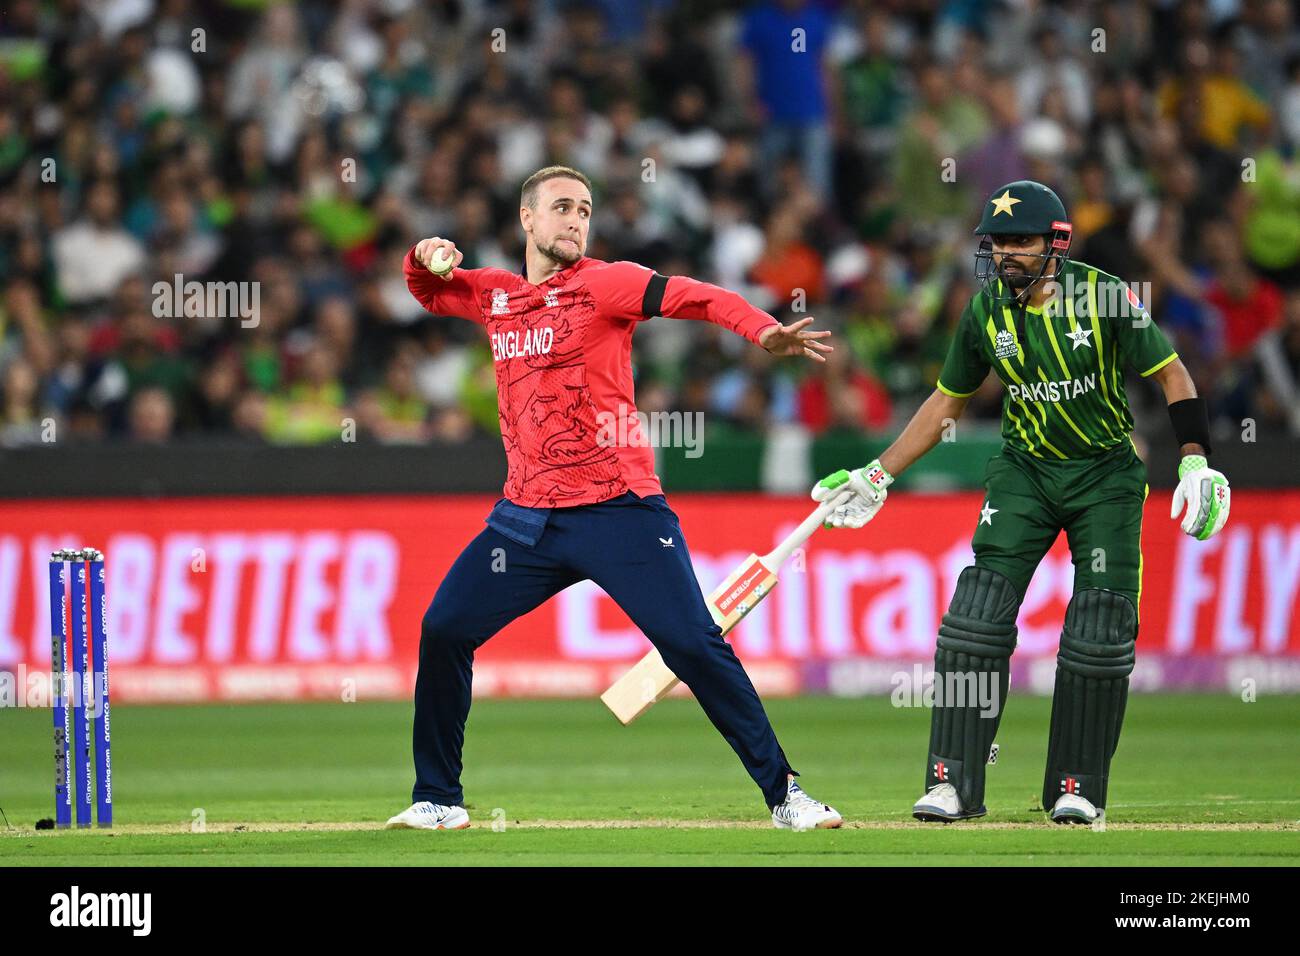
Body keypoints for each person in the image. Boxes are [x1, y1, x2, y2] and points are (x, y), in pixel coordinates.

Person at [386, 165, 843, 831]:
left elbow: (700, 298)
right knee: (445, 629)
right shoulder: (496, 296)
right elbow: (427, 291)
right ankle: (437, 799)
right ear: (527, 220)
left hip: (619, 510)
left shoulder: (607, 283)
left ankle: (785, 795)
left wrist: (764, 331)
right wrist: (422, 254)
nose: (576, 220)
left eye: (585, 209)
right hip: (526, 518)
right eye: (563, 207)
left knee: (691, 645)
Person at [814, 180, 1231, 825]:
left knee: (1096, 631)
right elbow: (946, 401)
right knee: (974, 622)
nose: (1005, 253)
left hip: (1106, 475)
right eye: (998, 241)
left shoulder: (1105, 296)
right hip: (1024, 474)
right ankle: (952, 782)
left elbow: (1171, 373)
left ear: (1055, 244)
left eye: (1020, 241)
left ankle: (1077, 786)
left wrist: (1196, 458)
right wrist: (877, 474)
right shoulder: (984, 312)